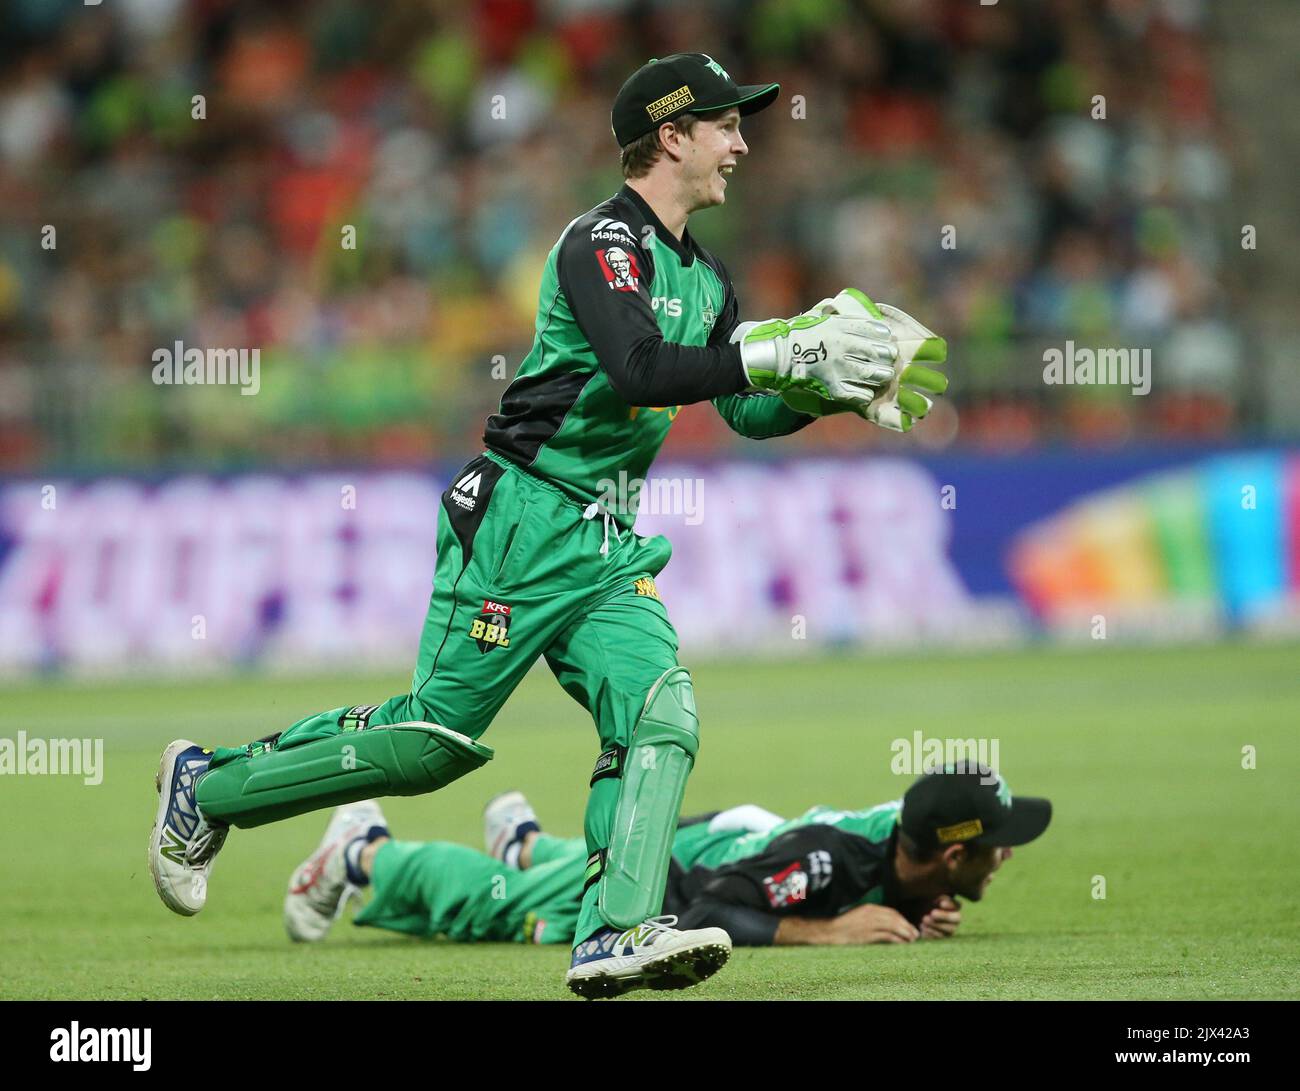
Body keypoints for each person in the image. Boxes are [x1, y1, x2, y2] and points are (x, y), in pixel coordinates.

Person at [147, 52, 950, 999]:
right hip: (521, 518)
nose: (740, 142)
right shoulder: (598, 242)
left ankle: (615, 930)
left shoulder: (709, 277)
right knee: (429, 744)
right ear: (672, 135)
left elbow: (739, 411)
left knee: (661, 712)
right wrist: (777, 348)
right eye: (726, 124)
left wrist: (830, 392)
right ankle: (210, 783)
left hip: (605, 541)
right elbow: (640, 371)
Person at [283, 765, 1051, 995]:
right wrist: (829, 929)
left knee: (541, 873)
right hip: (672, 874)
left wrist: (912, 904)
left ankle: (527, 842)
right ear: (949, 854)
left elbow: (894, 866)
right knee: (494, 908)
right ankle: (364, 848)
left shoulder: (908, 836)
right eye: (995, 845)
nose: (1005, 854)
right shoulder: (829, 857)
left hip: (709, 836)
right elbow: (716, 908)